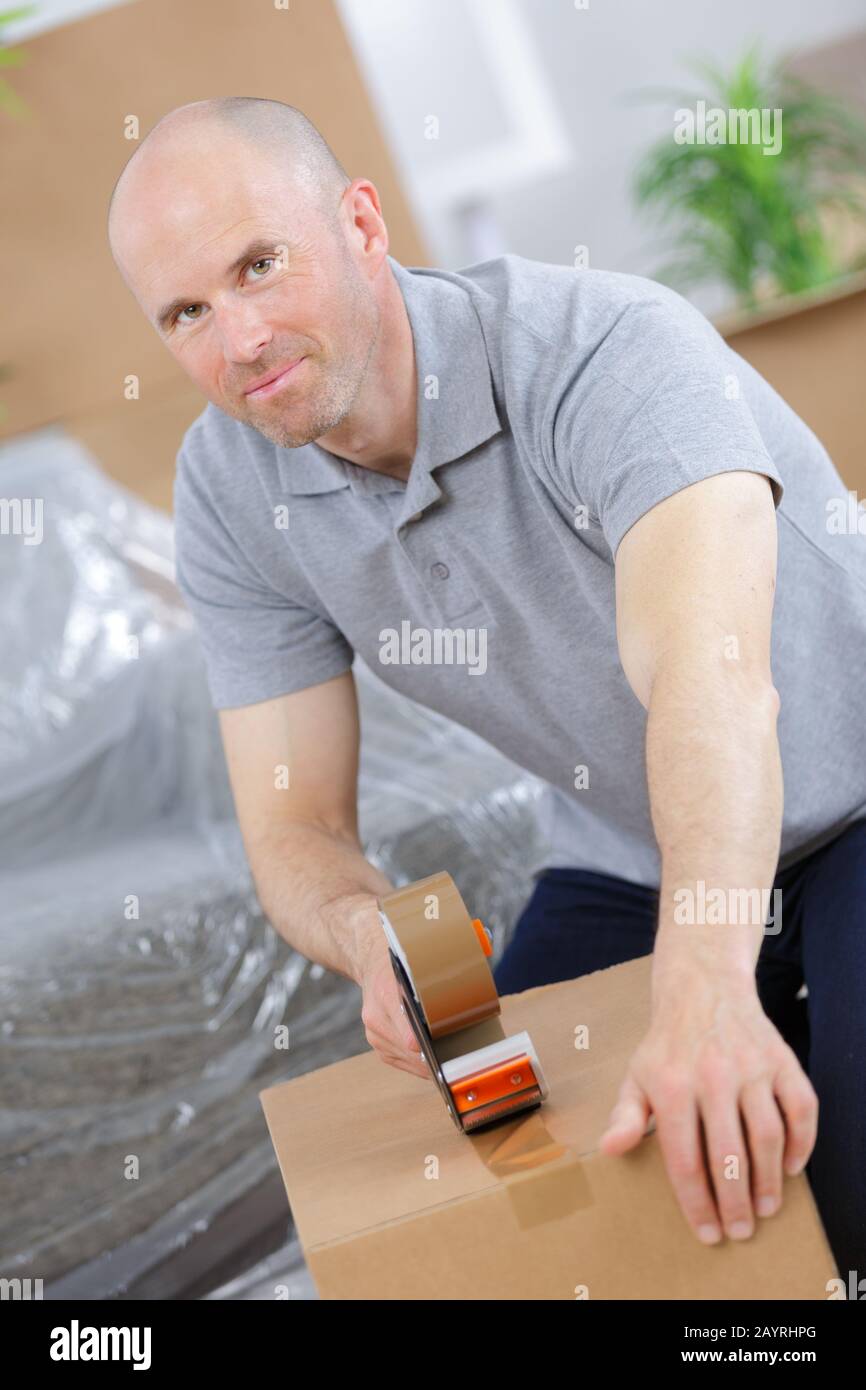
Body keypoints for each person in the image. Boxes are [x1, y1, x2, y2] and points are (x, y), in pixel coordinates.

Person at [108, 96, 866, 1281]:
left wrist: (705, 986)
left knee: (828, 1178)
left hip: (846, 795)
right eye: (187, 313)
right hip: (630, 847)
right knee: (517, 1173)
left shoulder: (602, 349)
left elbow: (711, 688)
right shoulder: (224, 488)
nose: (240, 340)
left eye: (259, 266)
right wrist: (370, 937)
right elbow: (293, 823)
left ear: (359, 222)